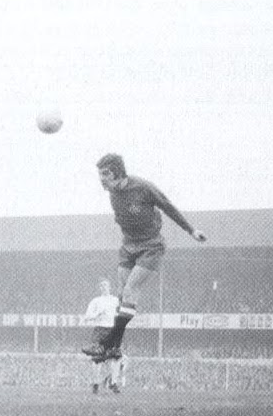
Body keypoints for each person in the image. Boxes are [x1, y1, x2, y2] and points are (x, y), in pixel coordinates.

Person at [84, 153, 207, 360]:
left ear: (117, 172)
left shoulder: (142, 187)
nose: (101, 179)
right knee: (122, 296)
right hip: (128, 246)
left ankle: (105, 343)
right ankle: (115, 348)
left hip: (151, 246)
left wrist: (191, 230)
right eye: (100, 175)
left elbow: (167, 206)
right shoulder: (113, 192)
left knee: (131, 290)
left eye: (105, 174)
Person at [82, 279, 123, 394]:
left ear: (110, 287)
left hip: (112, 330)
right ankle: (96, 383)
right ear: (99, 288)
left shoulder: (115, 300)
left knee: (115, 357)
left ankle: (113, 383)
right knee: (97, 359)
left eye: (105, 285)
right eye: (101, 286)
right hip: (100, 330)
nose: (103, 287)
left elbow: (121, 313)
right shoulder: (96, 301)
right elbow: (87, 317)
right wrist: (97, 314)